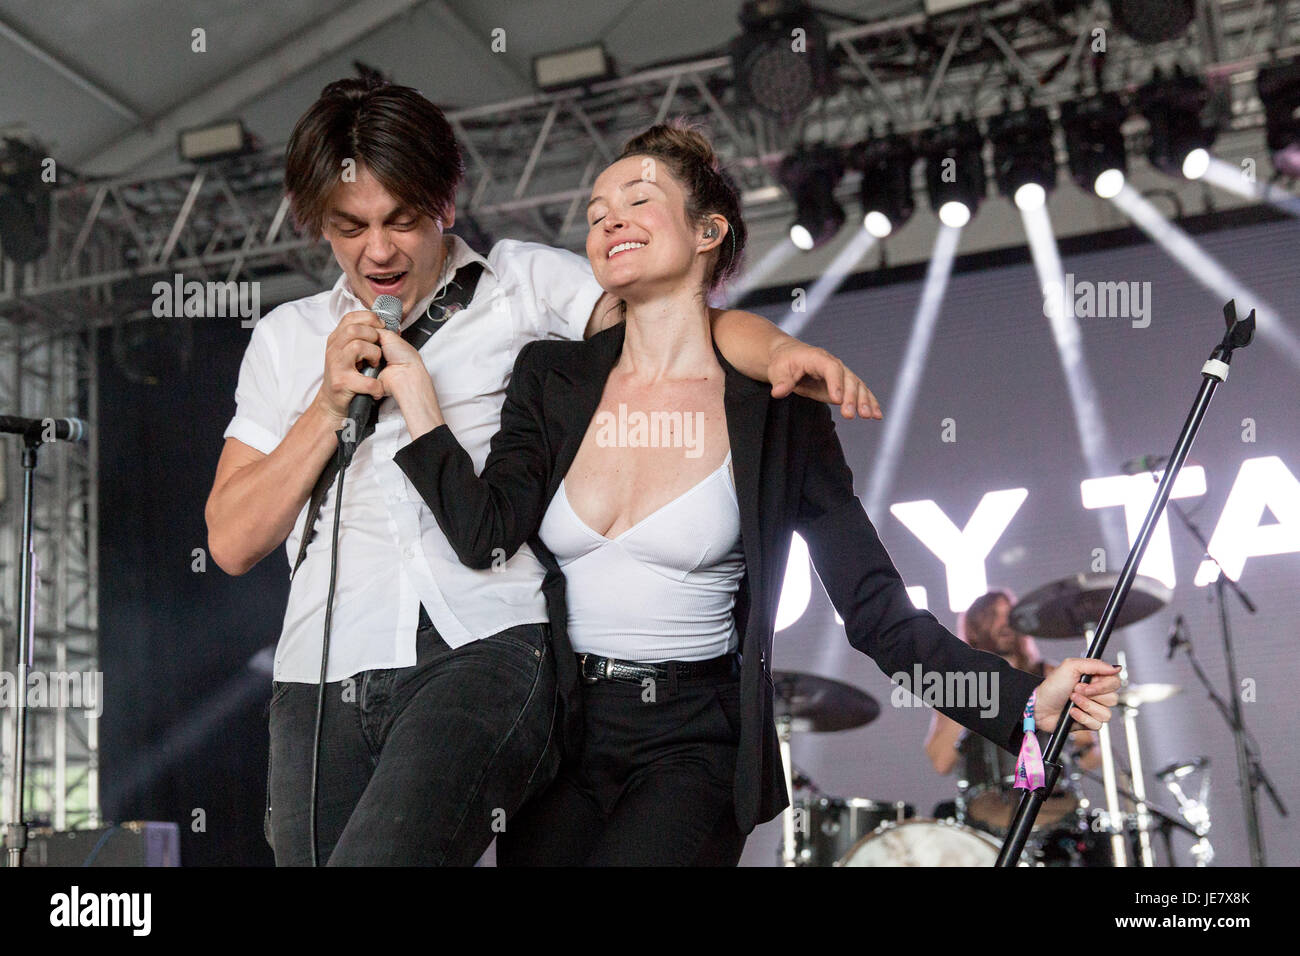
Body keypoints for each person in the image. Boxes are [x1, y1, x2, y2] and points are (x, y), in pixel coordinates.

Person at [380, 123, 1123, 865]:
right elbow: (486, 536)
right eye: (597, 209)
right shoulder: (551, 378)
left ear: (709, 232)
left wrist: (1024, 703)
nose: (608, 219)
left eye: (637, 200)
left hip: (691, 743)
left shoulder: (779, 408)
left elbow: (877, 615)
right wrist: (417, 398)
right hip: (560, 730)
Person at [204, 76, 881, 866]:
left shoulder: (523, 283)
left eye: (403, 221)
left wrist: (778, 350)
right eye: (349, 228)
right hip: (323, 666)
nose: (377, 251)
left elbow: (672, 318)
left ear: (446, 208)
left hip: (484, 647)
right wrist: (325, 407)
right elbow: (232, 541)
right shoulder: (287, 339)